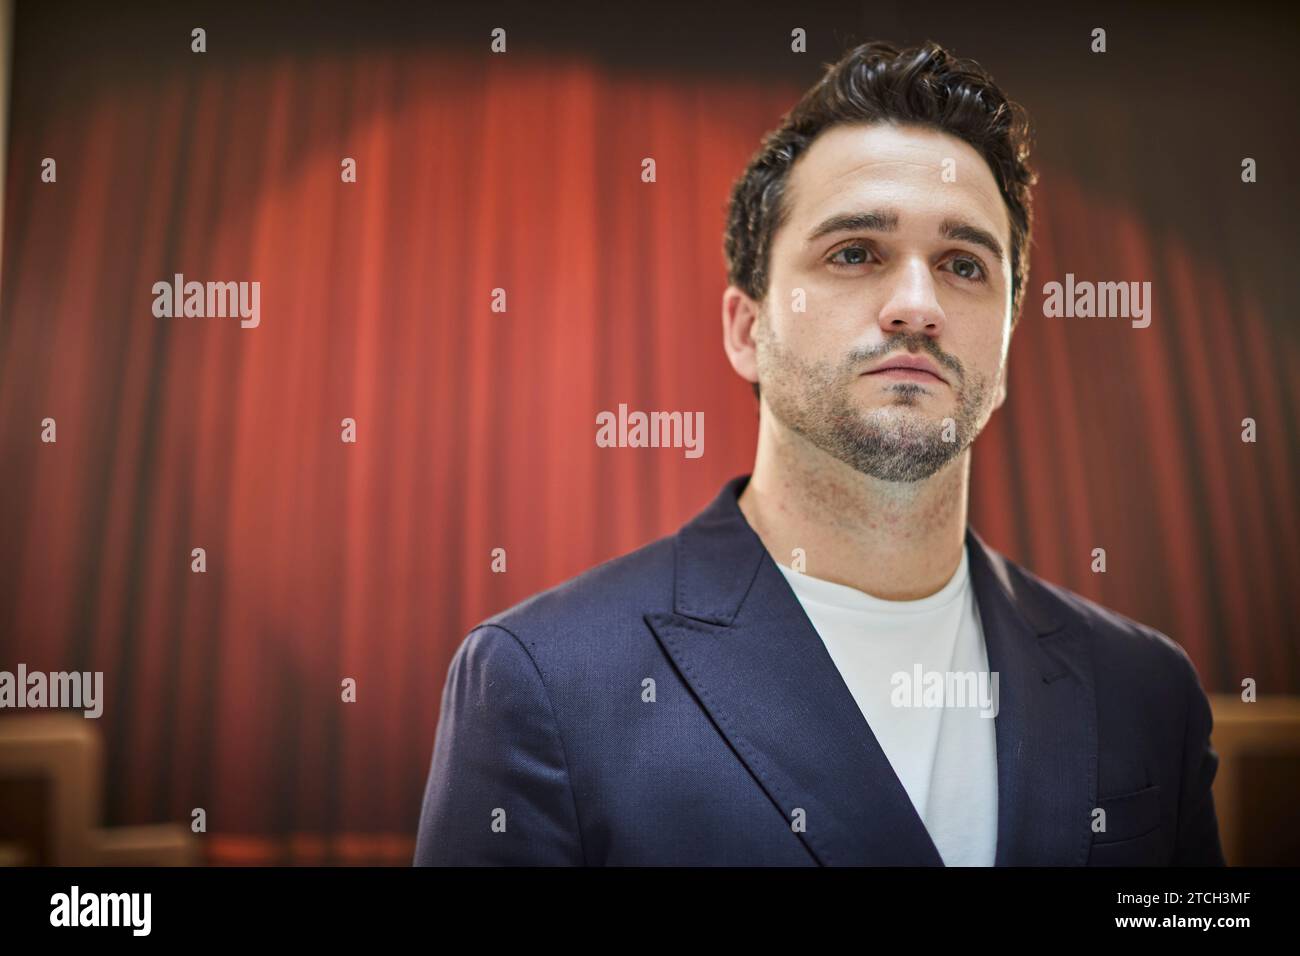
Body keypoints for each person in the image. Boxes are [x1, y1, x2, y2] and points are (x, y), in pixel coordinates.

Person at [413, 40, 1225, 866]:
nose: (917, 305)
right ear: (746, 330)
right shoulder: (545, 683)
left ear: (1007, 354)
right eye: (855, 253)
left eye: (963, 265)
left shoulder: (1147, 692)